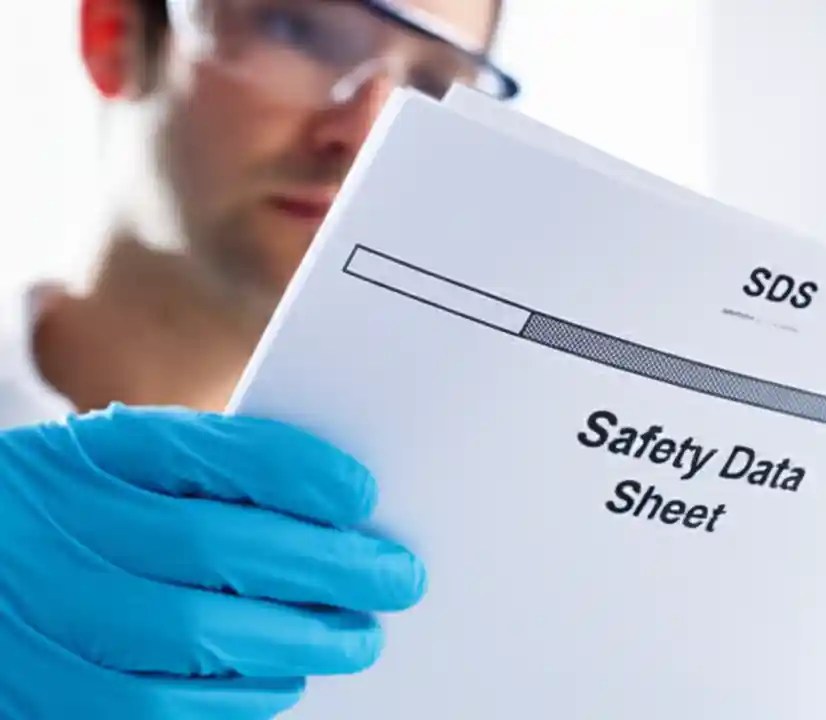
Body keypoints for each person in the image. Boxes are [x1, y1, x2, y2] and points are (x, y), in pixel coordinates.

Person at [0, 0, 518, 716]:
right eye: (295, 30)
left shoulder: (453, 552)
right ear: (114, 33)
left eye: (433, 86)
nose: (367, 132)